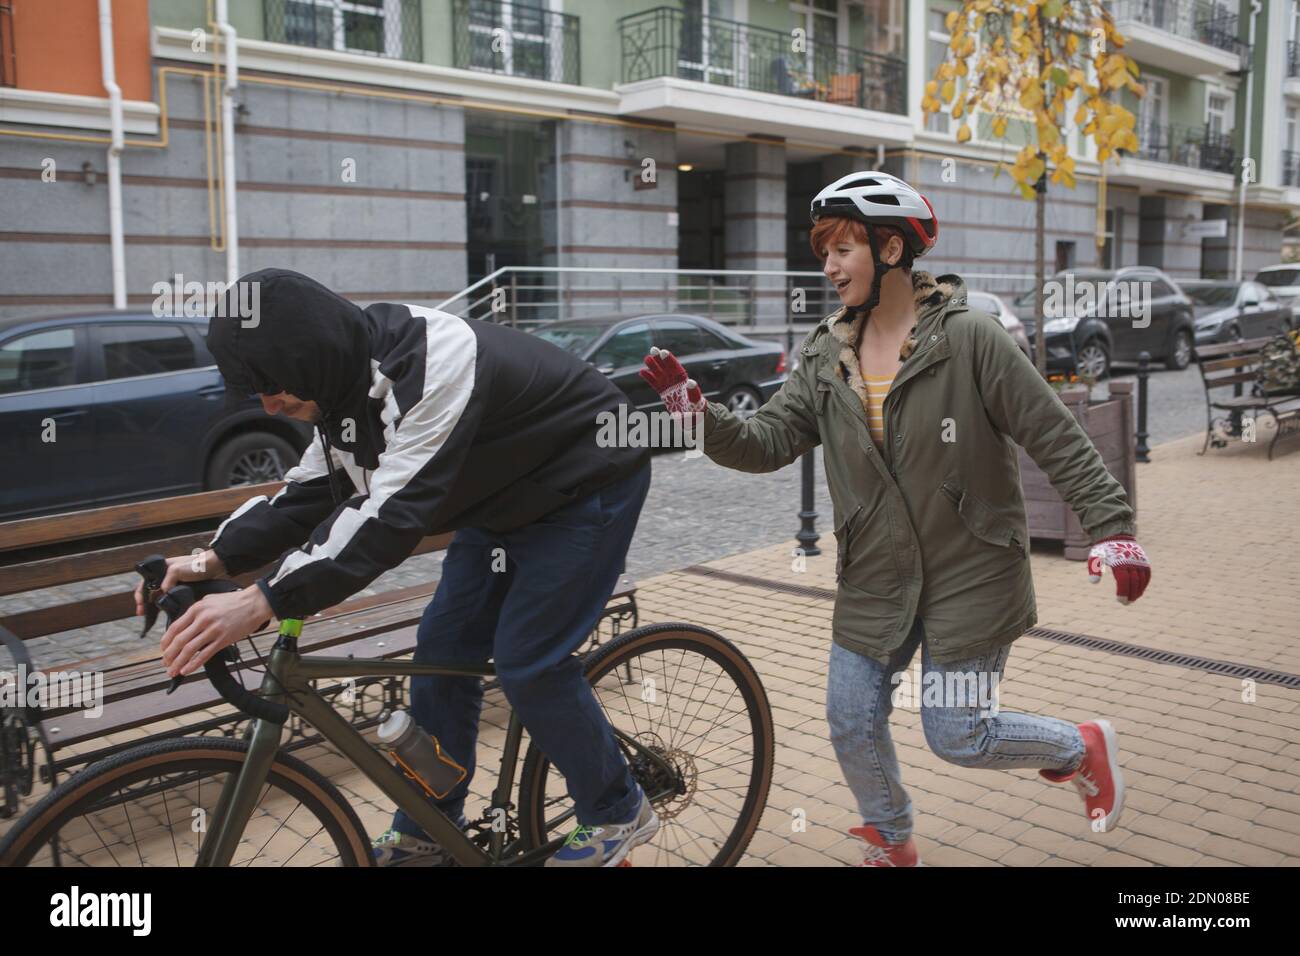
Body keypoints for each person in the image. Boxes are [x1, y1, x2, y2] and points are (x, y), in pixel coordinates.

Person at [639, 171, 1151, 867]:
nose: (827, 266)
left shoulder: (972, 339)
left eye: (841, 248)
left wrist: (1112, 527)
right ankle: (891, 832)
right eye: (823, 251)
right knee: (850, 716)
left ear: (889, 248)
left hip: (970, 570)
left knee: (957, 732)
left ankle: (1078, 747)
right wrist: (703, 420)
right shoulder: (825, 353)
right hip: (876, 572)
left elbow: (1052, 431)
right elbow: (768, 443)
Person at [135, 267, 657, 867]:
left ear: (312, 355)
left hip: (586, 481)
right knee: (441, 650)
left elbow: (392, 517)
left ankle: (618, 807)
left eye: (273, 384)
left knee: (528, 661)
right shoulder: (336, 391)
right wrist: (206, 561)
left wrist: (262, 600)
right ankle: (429, 827)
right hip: (499, 501)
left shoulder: (432, 361)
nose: (267, 403)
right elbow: (307, 495)